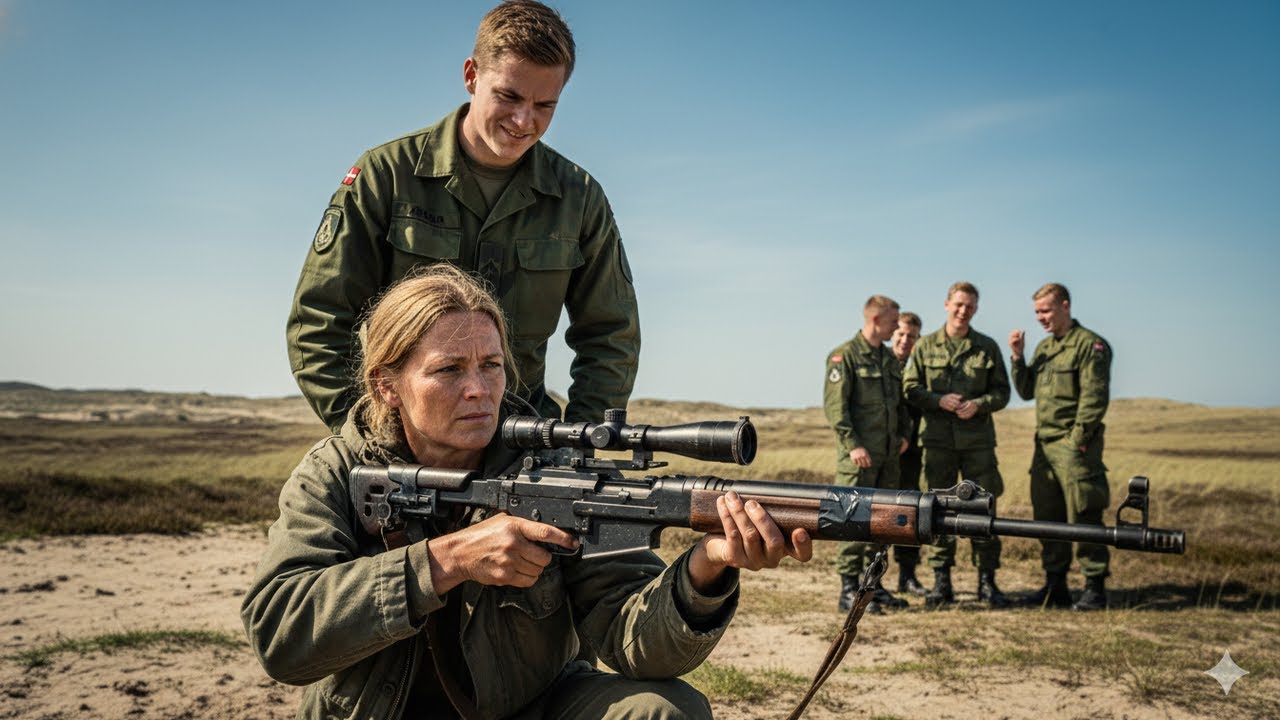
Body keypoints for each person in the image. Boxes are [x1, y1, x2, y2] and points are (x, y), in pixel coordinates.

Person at [242, 266, 813, 720]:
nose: (478, 389)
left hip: (529, 708)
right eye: (448, 370)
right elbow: (279, 635)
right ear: (386, 385)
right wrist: (450, 560)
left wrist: (705, 570)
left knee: (666, 711)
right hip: (371, 712)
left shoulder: (555, 469)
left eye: (491, 366)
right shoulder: (336, 473)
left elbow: (634, 641)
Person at [288, 0, 640, 434]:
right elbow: (319, 322)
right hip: (406, 447)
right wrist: (375, 432)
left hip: (524, 445)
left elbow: (611, 336)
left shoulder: (579, 198)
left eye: (544, 105)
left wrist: (579, 442)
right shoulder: (386, 177)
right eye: (508, 96)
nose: (523, 120)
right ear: (472, 76)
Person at [903, 282, 1011, 608]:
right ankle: (942, 582)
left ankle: (987, 582)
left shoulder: (987, 347)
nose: (964, 311)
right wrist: (938, 401)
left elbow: (1002, 392)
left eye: (970, 307)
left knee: (984, 507)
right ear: (947, 304)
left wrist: (979, 404)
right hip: (938, 443)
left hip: (977, 443)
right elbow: (910, 387)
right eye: (959, 305)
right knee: (937, 510)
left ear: (975, 309)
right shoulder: (925, 347)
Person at [1009, 282, 1114, 611]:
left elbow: (1094, 398)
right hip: (1043, 447)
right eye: (1037, 312)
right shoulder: (1043, 349)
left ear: (1065, 307)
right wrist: (1017, 357)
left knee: (1083, 514)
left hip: (1072, 445)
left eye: (1046, 310)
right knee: (1047, 515)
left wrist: (1077, 442)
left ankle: (1094, 587)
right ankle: (1055, 587)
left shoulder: (1090, 345)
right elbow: (1026, 391)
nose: (1041, 318)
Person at [823, 295, 913, 614]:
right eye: (892, 322)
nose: (895, 328)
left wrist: (904, 435)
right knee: (852, 518)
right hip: (860, 458)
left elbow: (900, 404)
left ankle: (874, 585)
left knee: (884, 522)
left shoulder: (888, 360)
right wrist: (853, 444)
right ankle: (849, 589)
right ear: (876, 320)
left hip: (888, 456)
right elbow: (836, 408)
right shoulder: (844, 357)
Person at [889, 311, 927, 597]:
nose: (905, 340)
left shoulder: (920, 369)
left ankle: (908, 575)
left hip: (911, 452)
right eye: (901, 334)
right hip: (882, 451)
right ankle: (873, 579)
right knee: (878, 511)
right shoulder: (879, 363)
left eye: (911, 336)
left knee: (909, 510)